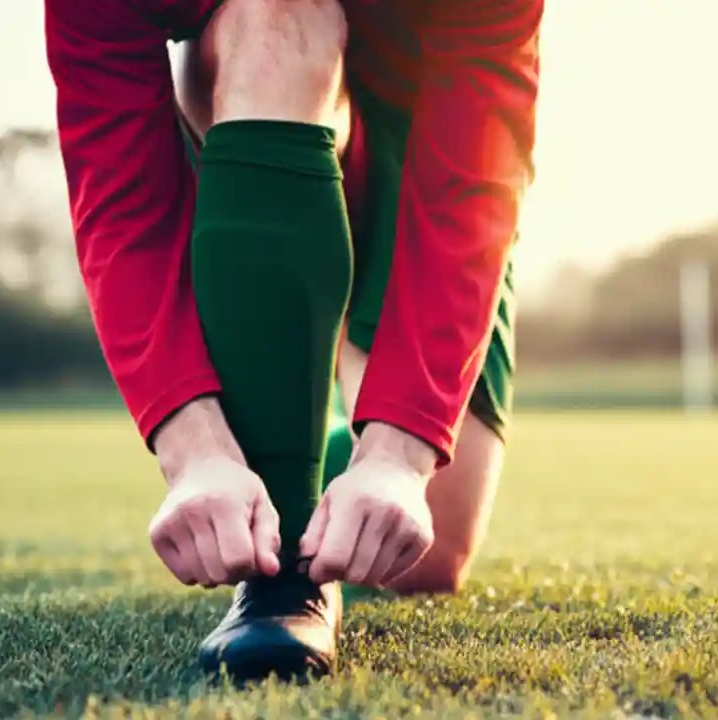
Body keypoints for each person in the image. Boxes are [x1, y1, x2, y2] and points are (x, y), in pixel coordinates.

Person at [45, 0, 541, 682]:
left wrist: (398, 456)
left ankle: (334, 458)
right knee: (276, 14)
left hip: (432, 138)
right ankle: (284, 570)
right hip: (252, 132)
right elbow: (119, 191)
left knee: (430, 554)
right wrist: (194, 451)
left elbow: (476, 171)